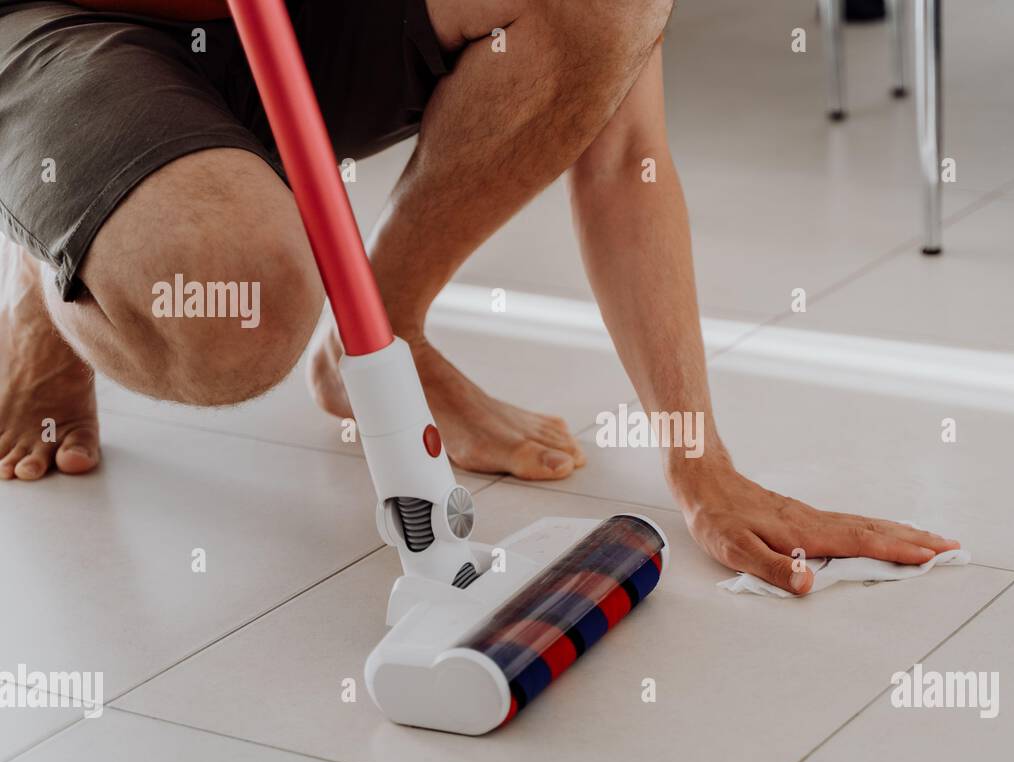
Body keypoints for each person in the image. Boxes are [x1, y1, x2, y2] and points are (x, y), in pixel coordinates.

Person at [0, 0, 958, 594]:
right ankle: (57, 269)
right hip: (75, 21)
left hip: (293, 23)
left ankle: (385, 335)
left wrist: (701, 467)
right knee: (236, 311)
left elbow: (627, 158)